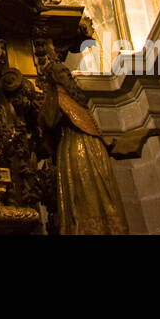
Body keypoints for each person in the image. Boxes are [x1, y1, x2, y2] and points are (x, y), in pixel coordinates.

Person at [37, 56, 128, 234]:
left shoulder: (77, 103)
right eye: (62, 72)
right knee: (82, 194)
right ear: (54, 78)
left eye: (67, 71)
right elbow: (48, 122)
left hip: (93, 149)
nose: (68, 74)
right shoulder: (55, 100)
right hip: (73, 148)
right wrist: (53, 93)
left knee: (105, 194)